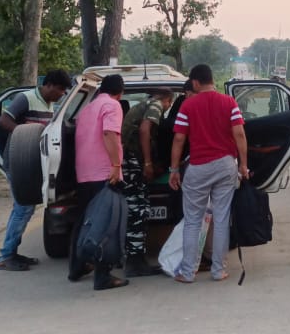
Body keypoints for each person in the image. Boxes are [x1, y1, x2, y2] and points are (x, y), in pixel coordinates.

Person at [168, 64, 249, 283]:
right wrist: (243, 165)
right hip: (225, 165)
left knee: (193, 220)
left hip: (199, 167)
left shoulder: (188, 105)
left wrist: (174, 169)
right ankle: (218, 270)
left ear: (195, 82)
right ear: (212, 80)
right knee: (221, 218)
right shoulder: (229, 102)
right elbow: (239, 134)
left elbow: (178, 139)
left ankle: (187, 272)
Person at [0, 69, 70, 271]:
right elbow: (3, 120)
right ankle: (6, 256)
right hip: (18, 162)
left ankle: (11, 252)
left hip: (31, 164)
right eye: (61, 90)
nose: (62, 94)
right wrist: (25, 134)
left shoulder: (50, 104)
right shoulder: (26, 98)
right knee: (23, 209)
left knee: (24, 209)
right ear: (50, 85)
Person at [68, 74, 129, 290]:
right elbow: (109, 134)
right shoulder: (112, 106)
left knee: (84, 222)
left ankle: (76, 268)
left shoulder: (88, 108)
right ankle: (103, 276)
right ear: (120, 92)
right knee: (106, 225)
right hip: (104, 173)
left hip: (84, 173)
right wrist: (116, 166)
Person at [118, 87, 174, 277]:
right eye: (169, 104)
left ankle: (134, 257)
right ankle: (134, 263)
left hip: (127, 160)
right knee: (138, 210)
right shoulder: (156, 104)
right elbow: (144, 129)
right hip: (133, 160)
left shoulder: (143, 104)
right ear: (168, 100)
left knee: (135, 208)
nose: (167, 107)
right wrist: (148, 162)